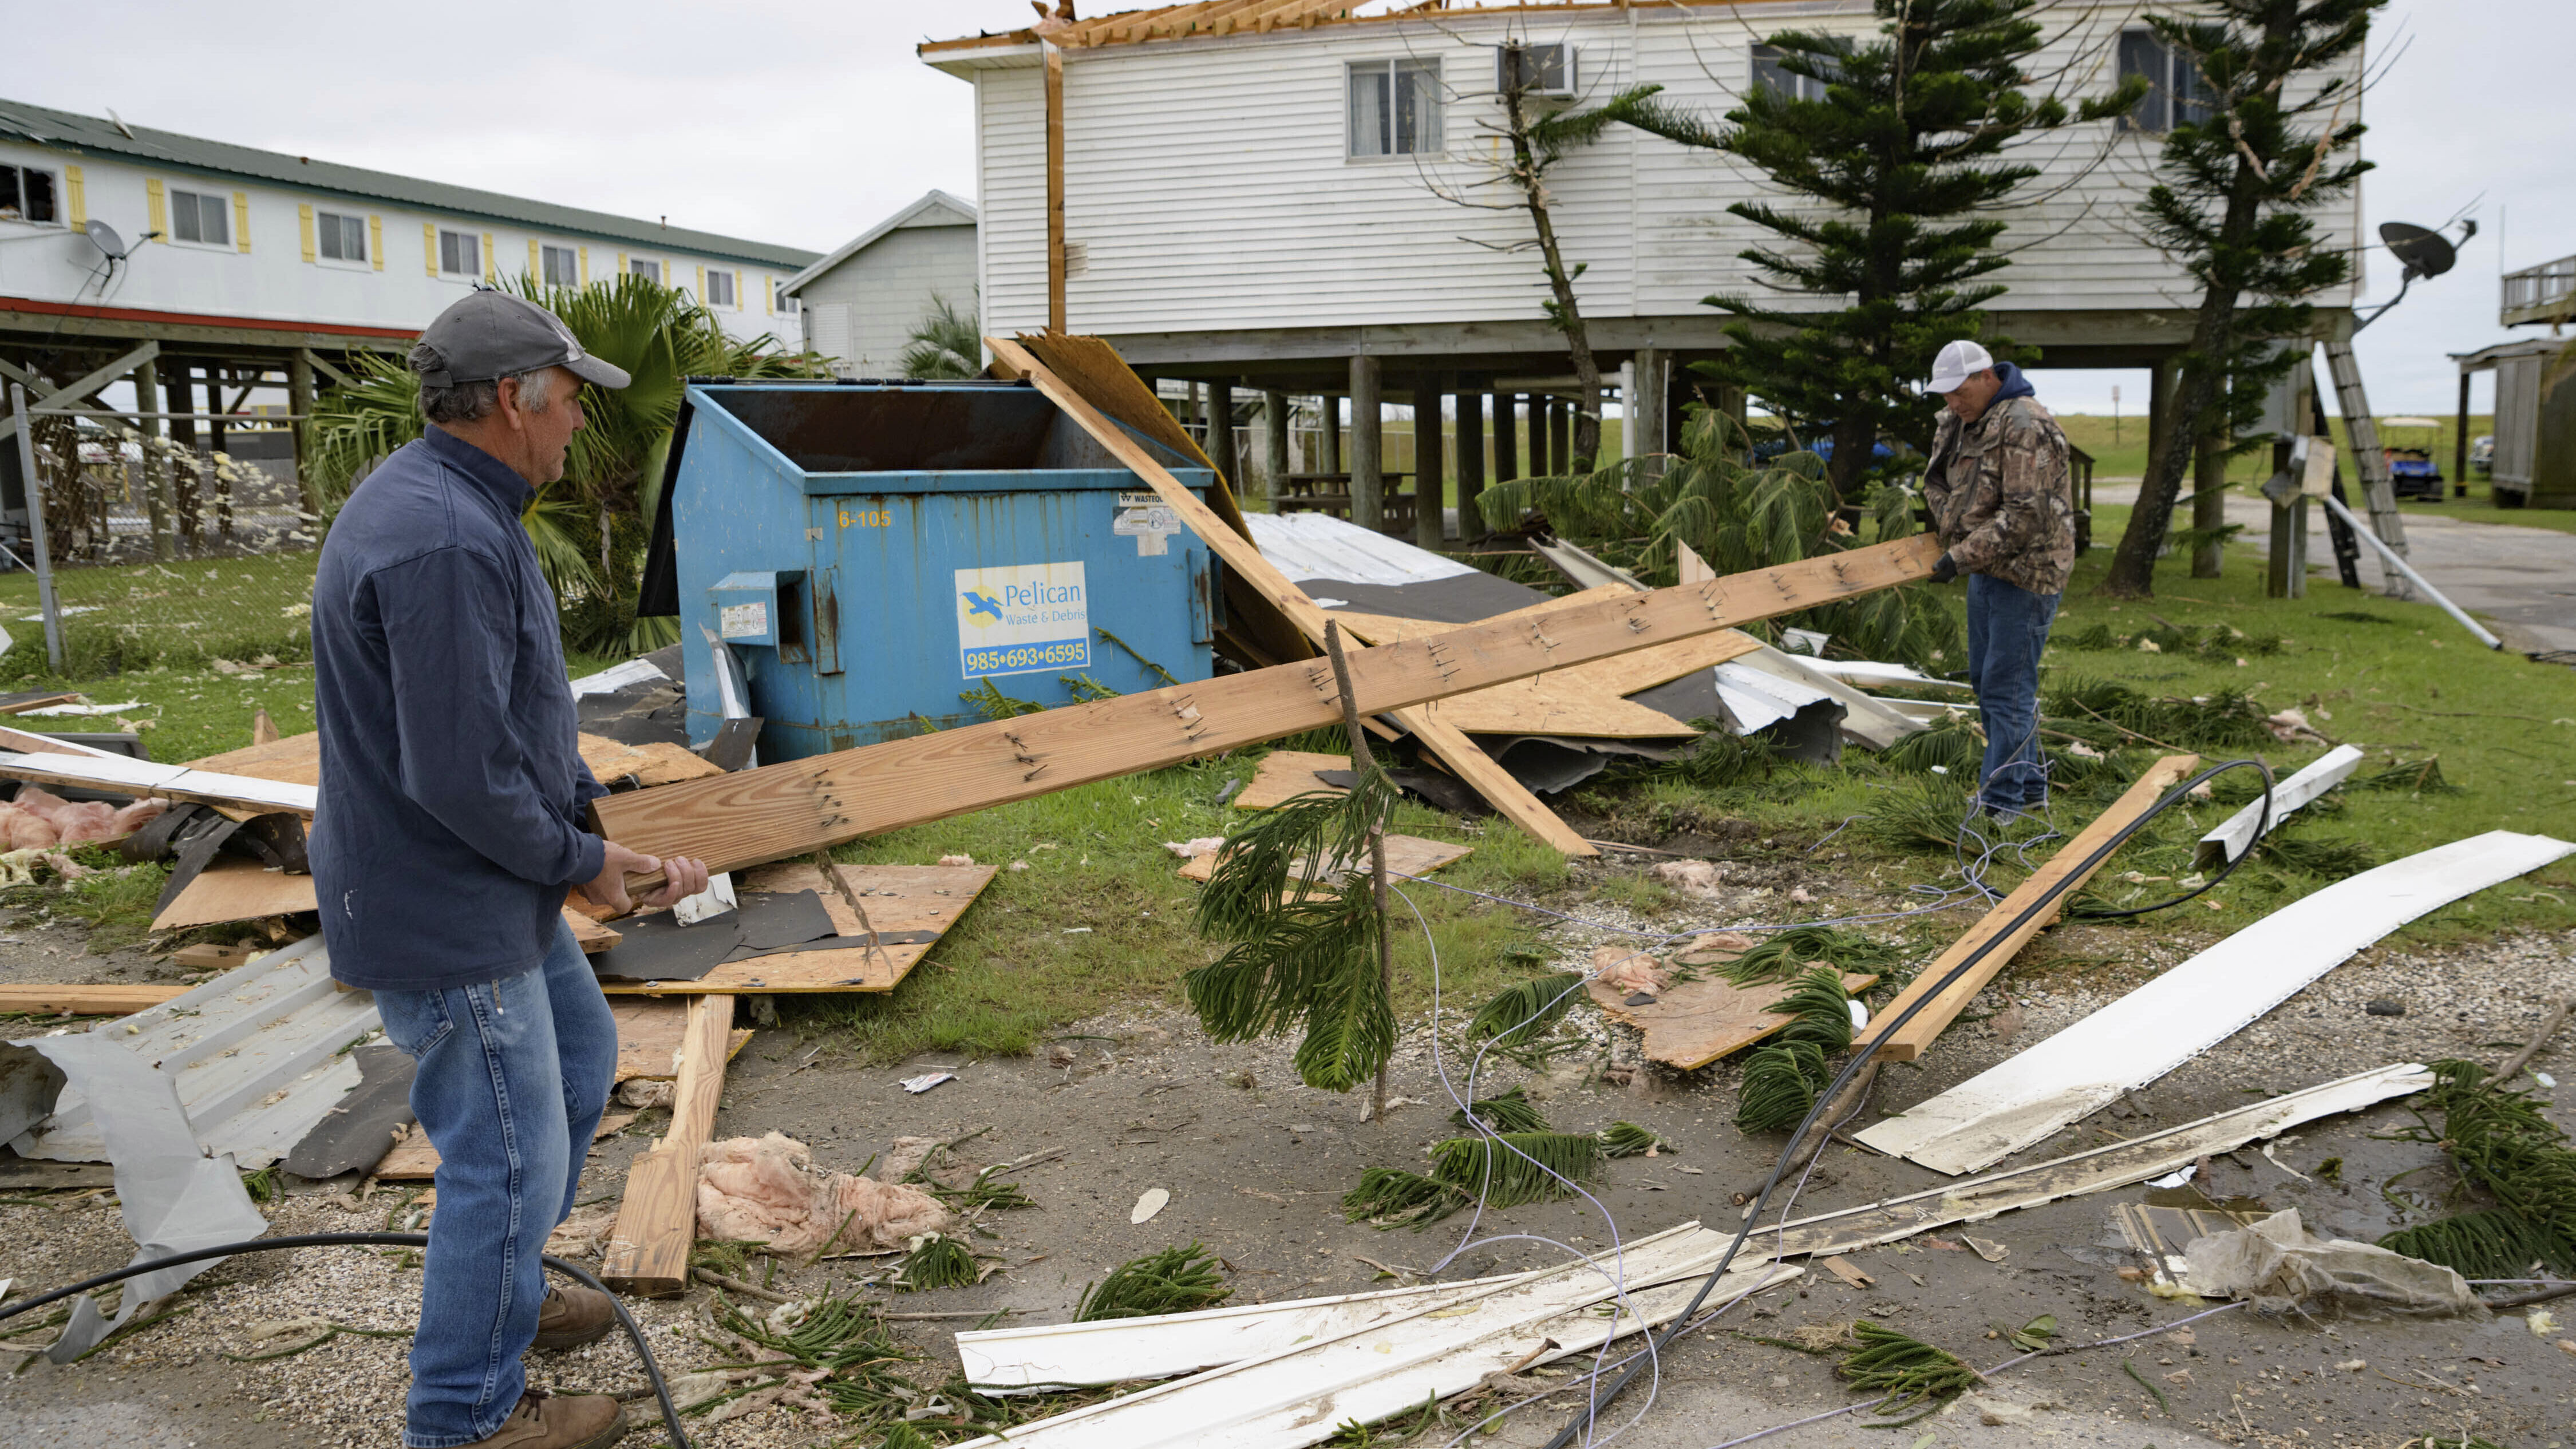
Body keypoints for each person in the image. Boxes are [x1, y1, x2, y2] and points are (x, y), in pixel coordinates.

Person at [312, 288, 710, 1449]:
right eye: (573, 398)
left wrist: (589, 828)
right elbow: (459, 773)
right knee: (506, 1149)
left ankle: (508, 1296)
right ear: (510, 400)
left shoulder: (463, 505)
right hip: (445, 899)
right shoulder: (442, 537)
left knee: (579, 1059)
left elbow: (510, 725)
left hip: (484, 879)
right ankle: (463, 1417)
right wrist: (582, 866)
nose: (581, 420)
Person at [1917, 338, 2076, 821]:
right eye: (1944, 395)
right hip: (1987, 566)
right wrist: (1954, 541)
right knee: (1991, 684)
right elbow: (1940, 483)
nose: (1951, 402)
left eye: (1959, 391)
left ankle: (2001, 803)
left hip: (2028, 573)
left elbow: (2026, 515)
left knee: (2007, 688)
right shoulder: (1961, 421)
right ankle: (2029, 790)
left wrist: (1959, 557)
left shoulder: (2025, 424)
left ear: (1988, 378)